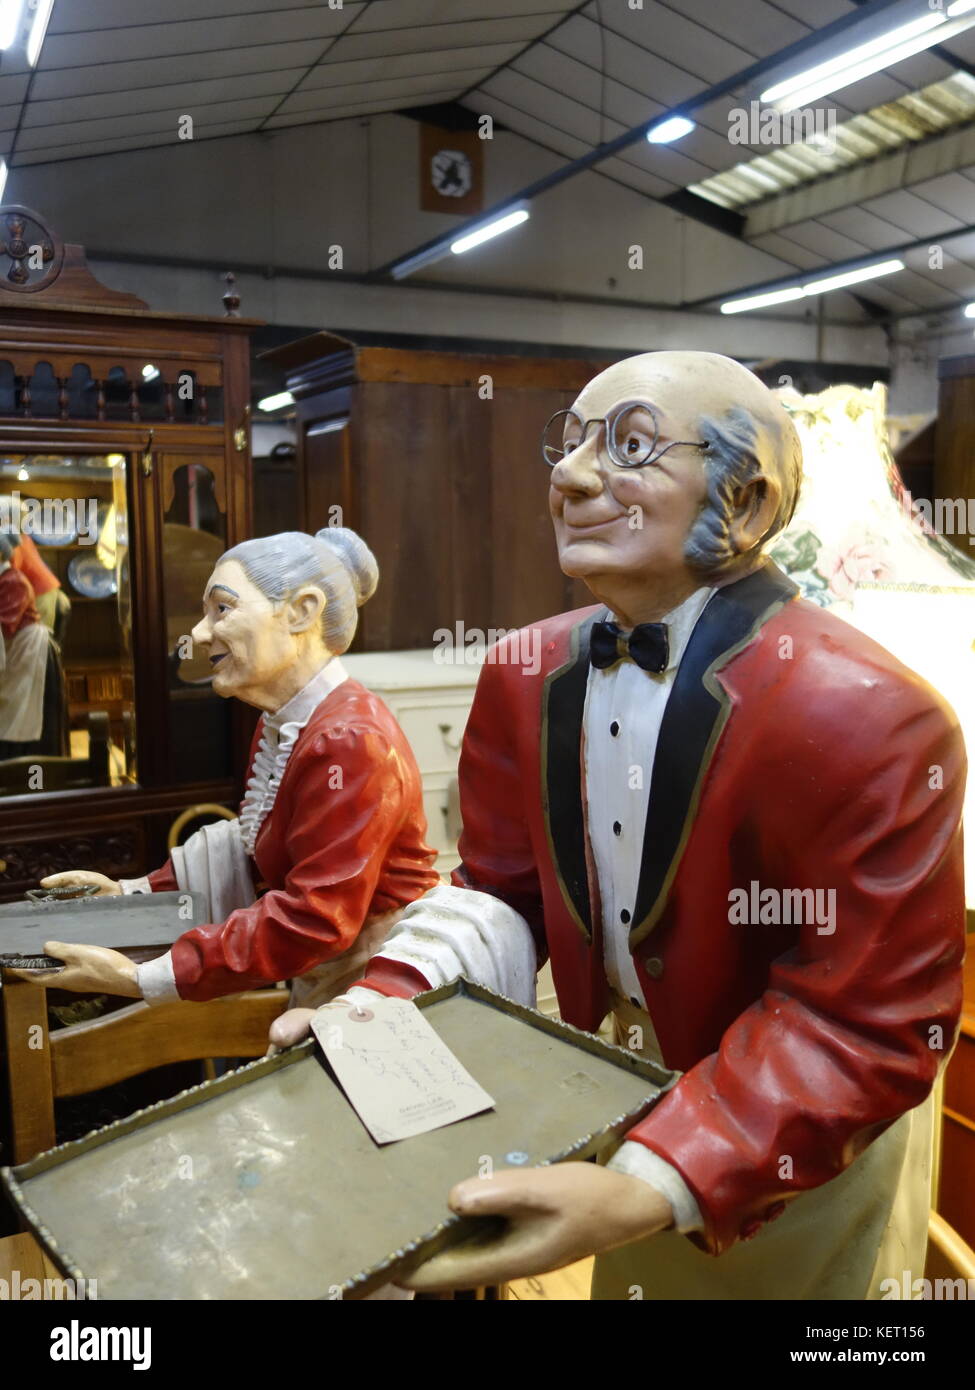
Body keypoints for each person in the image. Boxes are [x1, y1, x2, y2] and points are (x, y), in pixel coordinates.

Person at [274, 352, 966, 1300]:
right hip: (623, 1092)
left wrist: (658, 1178)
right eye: (569, 442)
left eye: (630, 443)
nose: (569, 475)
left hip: (796, 1142)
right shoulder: (524, 671)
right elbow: (503, 890)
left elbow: (860, 1018)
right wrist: (385, 994)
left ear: (749, 502)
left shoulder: (871, 715)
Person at [33, 527, 441, 1006]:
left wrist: (139, 978)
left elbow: (314, 920)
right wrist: (131, 893)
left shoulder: (348, 741)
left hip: (377, 988)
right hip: (331, 978)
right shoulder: (286, 723)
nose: (201, 633)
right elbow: (252, 843)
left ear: (301, 611)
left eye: (222, 609)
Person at [0, 530, 68, 760]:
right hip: (15, 652)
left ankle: (34, 777)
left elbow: (5, 625)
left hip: (30, 655)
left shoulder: (13, 581)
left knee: (26, 713)